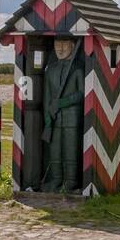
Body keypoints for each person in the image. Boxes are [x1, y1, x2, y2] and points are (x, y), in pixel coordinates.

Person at [41, 37, 84, 192]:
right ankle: (57, 180)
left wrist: (62, 102)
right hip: (54, 119)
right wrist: (48, 120)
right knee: (55, 152)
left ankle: (70, 182)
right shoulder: (50, 70)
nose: (60, 48)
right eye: (57, 45)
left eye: (64, 45)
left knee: (70, 150)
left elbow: (82, 94)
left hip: (72, 118)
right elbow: (47, 97)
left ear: (72, 46)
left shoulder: (77, 69)